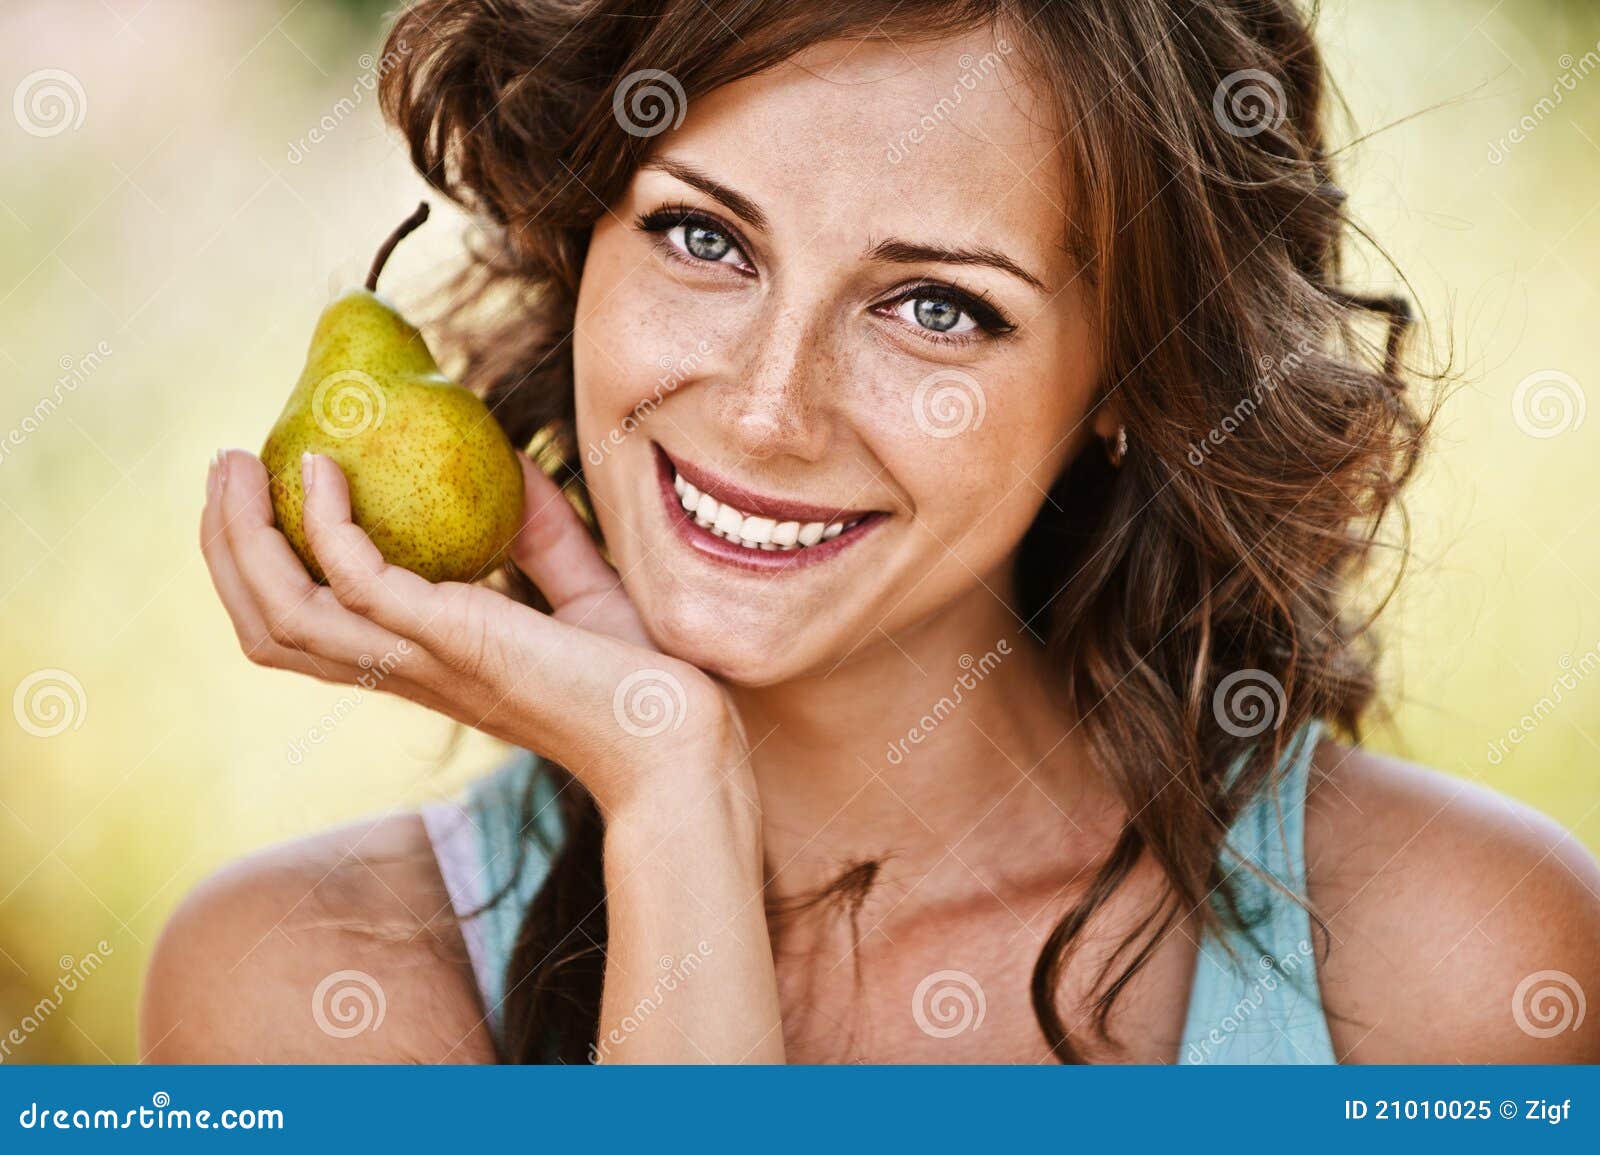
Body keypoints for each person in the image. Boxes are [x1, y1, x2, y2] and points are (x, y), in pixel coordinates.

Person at [143, 0, 1600, 1064]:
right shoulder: (304, 985)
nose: (771, 410)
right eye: (703, 237)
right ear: (579, 239)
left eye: (936, 307)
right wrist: (669, 788)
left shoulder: (1458, 970)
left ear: (1128, 380)